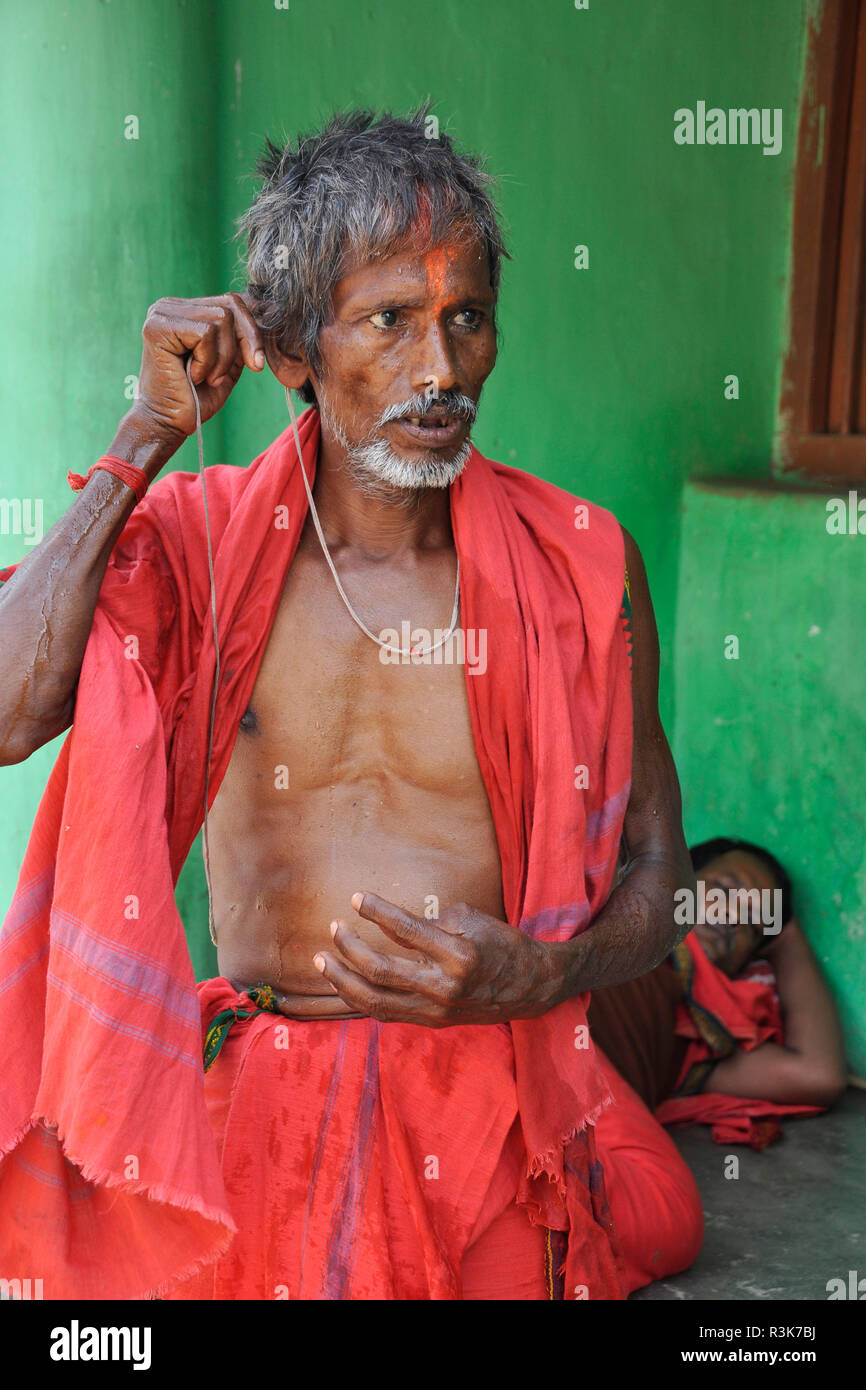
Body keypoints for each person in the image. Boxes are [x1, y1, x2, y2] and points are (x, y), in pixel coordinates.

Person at [0, 108, 697, 1301]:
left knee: (651, 1216)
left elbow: (659, 878)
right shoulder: (200, 545)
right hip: (257, 1083)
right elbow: (11, 711)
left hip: (485, 1087)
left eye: (463, 319)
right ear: (289, 351)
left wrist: (530, 978)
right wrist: (141, 439)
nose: (438, 372)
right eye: (390, 321)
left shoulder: (579, 561)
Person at [588, 836, 847, 1291]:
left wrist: (784, 936)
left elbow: (818, 1075)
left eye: (752, 922)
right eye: (722, 892)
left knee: (669, 1221)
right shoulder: (606, 912)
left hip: (577, 1091)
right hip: (524, 1025)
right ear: (674, 881)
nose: (730, 917)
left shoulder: (708, 1036)